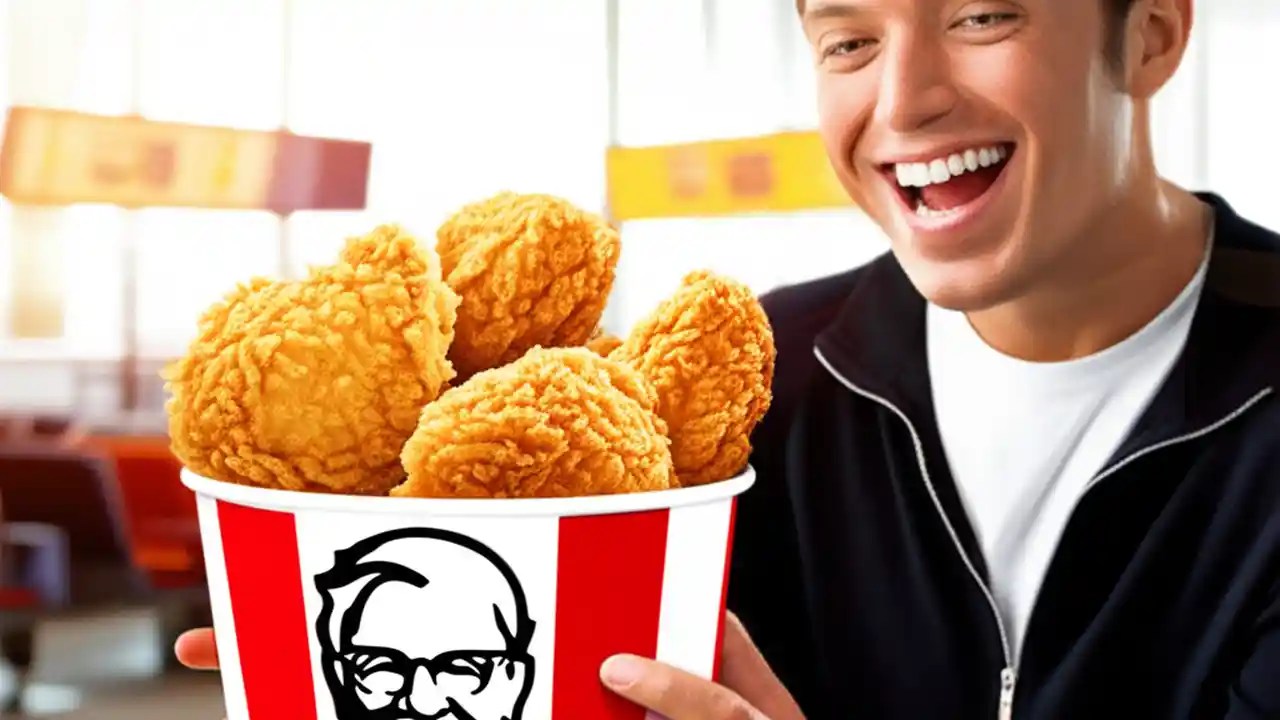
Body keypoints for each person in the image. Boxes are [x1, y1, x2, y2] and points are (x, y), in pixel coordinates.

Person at [176, 0, 1280, 716]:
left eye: (980, 16)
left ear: (1149, 33)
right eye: (847, 43)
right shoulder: (762, 384)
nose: (900, 101)